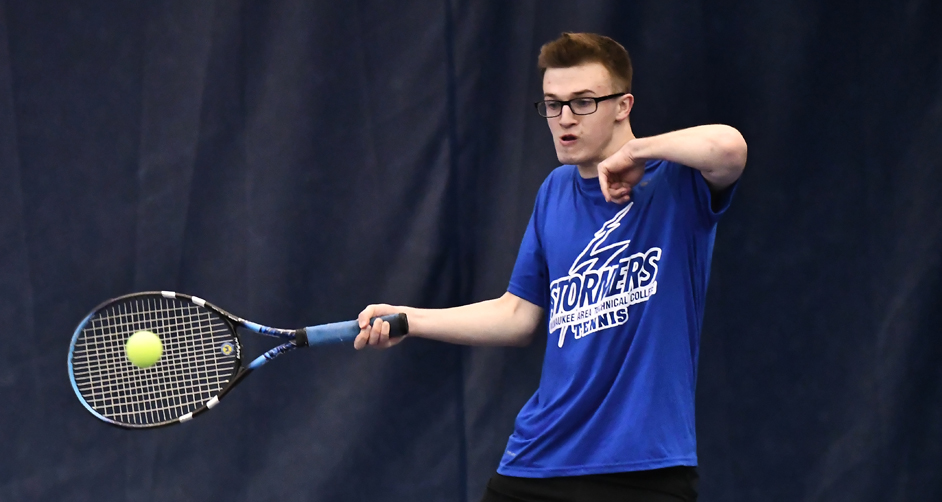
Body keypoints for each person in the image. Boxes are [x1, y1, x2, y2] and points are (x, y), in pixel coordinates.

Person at [354, 32, 746, 502]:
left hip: (645, 468)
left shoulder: (675, 181)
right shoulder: (554, 191)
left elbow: (729, 148)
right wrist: (410, 319)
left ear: (623, 106)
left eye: (583, 103)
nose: (564, 119)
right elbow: (518, 315)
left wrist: (636, 152)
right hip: (536, 461)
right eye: (553, 104)